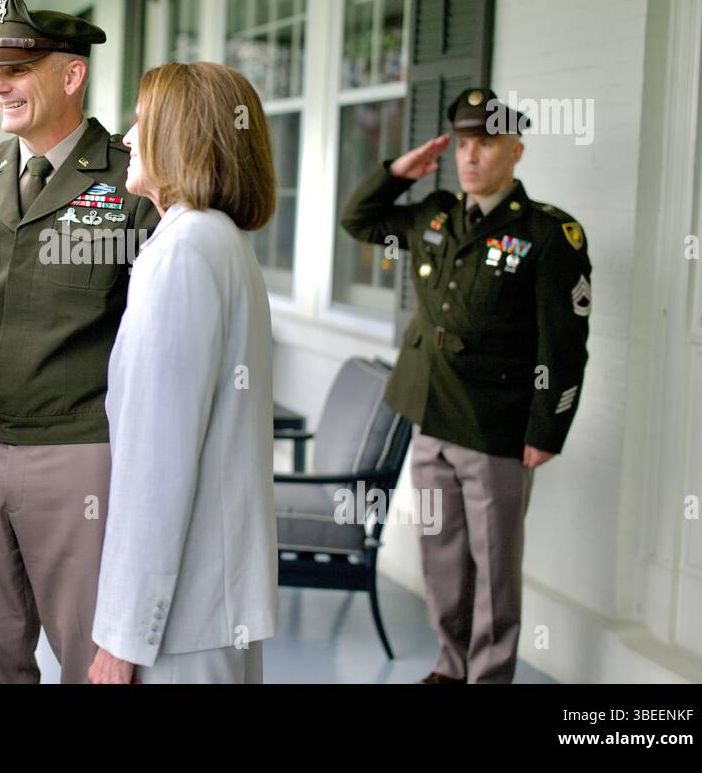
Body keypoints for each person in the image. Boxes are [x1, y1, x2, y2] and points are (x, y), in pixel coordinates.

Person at [0, 0, 161, 683]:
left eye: (18, 69)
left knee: (91, 657)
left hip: (79, 456)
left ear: (70, 75)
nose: (0, 85)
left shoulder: (133, 181)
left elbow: (158, 341)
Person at [340, 87, 592, 684]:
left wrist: (546, 429)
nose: (471, 156)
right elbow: (358, 220)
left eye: (486, 143)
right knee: (442, 554)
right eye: (462, 144)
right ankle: (451, 666)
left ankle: (489, 675)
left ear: (516, 151)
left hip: (496, 427)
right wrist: (398, 171)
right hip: (428, 415)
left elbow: (564, 342)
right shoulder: (433, 216)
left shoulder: (548, 234)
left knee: (495, 565)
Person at [87, 61, 279, 685]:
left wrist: (121, 637)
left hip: (181, 623)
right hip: (211, 605)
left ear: (179, 135)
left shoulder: (183, 251)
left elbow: (156, 465)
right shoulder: (220, 241)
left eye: (141, 122)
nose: (124, 138)